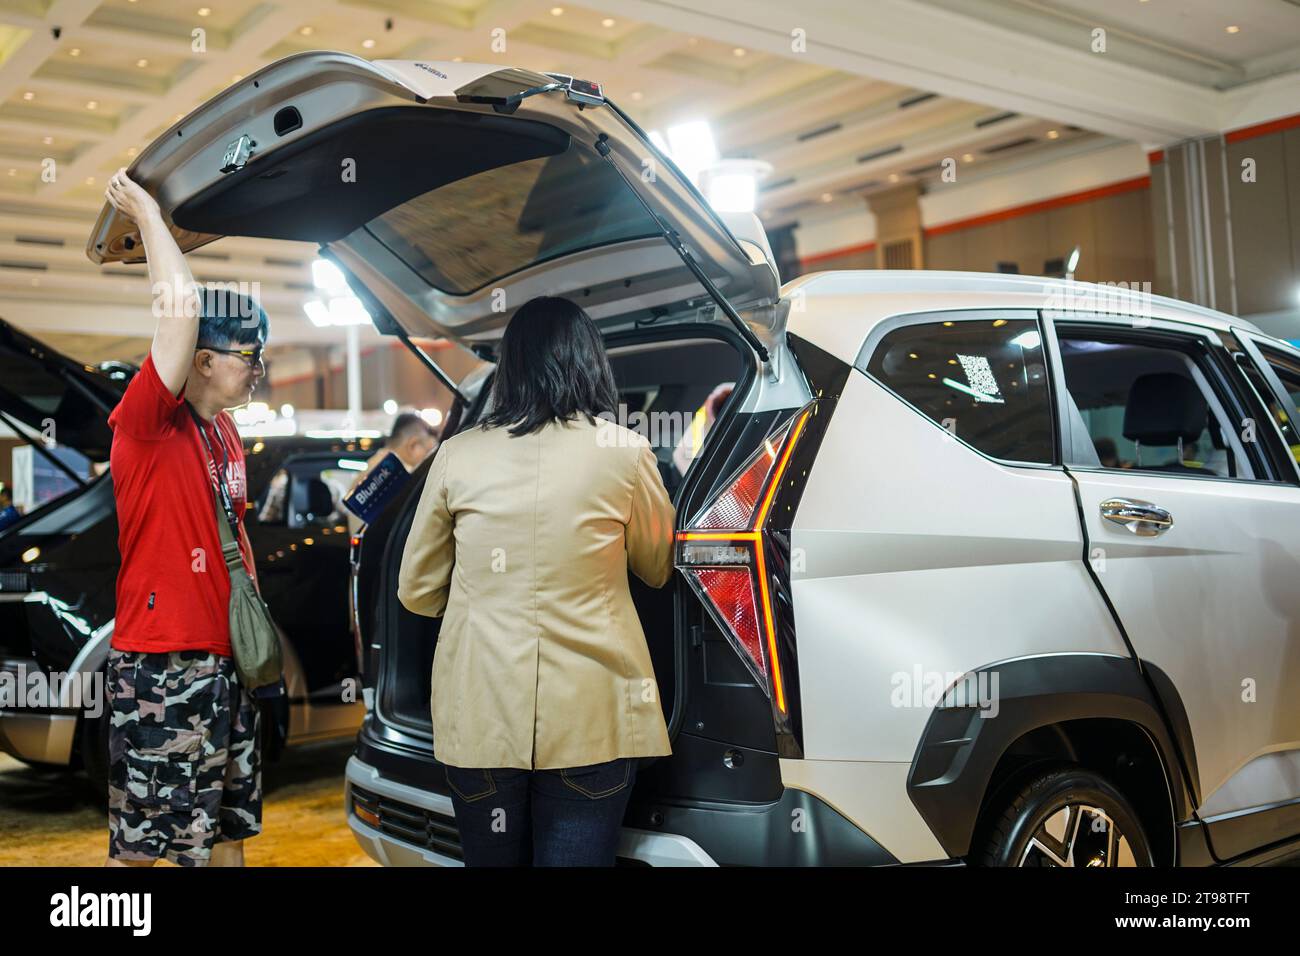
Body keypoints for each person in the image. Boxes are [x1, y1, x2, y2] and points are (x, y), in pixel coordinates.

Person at [397, 295, 676, 867]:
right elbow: (657, 565)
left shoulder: (457, 455)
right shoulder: (625, 453)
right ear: (590, 363)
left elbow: (416, 592)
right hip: (591, 718)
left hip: (481, 718)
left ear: (510, 368)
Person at [101, 168, 267, 868]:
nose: (258, 368)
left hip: (223, 666)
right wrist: (143, 209)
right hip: (161, 670)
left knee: (225, 833)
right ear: (202, 359)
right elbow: (179, 309)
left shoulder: (224, 434)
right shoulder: (146, 423)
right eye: (248, 355)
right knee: (145, 848)